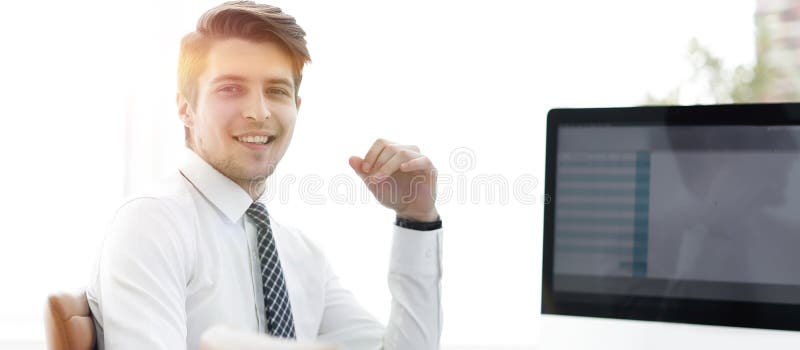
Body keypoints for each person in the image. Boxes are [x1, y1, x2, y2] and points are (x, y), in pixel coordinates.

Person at [86, 2, 443, 349]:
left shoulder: (301, 253)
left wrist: (417, 220)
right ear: (186, 108)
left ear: (296, 108)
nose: (259, 112)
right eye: (230, 88)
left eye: (276, 91)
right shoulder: (153, 224)